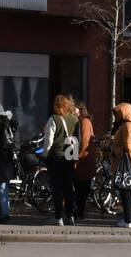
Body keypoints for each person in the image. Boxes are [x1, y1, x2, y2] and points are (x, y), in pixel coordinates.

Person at [40, 94, 80, 226]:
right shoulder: (75, 119)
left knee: (57, 188)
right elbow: (77, 138)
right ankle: (70, 215)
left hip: (56, 157)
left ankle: (58, 217)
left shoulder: (54, 119)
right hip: (70, 156)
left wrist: (44, 154)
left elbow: (48, 141)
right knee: (69, 187)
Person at [110, 102, 131, 228]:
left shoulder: (128, 126)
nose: (116, 116)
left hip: (126, 162)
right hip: (129, 161)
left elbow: (128, 147)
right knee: (126, 192)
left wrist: (115, 151)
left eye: (118, 114)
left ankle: (128, 221)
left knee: (126, 192)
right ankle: (129, 219)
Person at [73, 102, 97, 221]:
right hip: (83, 160)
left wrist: (77, 158)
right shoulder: (81, 121)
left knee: (81, 189)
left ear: (81, 110)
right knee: (80, 188)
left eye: (75, 109)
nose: (73, 111)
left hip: (84, 161)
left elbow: (85, 142)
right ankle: (79, 212)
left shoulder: (84, 122)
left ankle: (80, 213)